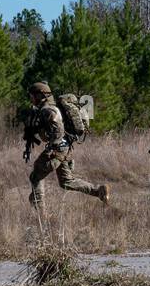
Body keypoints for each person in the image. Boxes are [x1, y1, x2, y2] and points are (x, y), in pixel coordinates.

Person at [23, 81, 110, 209]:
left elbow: (58, 130)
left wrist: (52, 148)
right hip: (65, 148)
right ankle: (99, 192)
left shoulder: (49, 110)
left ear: (40, 95)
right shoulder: (47, 108)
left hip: (57, 150)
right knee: (66, 182)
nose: (31, 99)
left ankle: (39, 213)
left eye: (32, 96)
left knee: (36, 176)